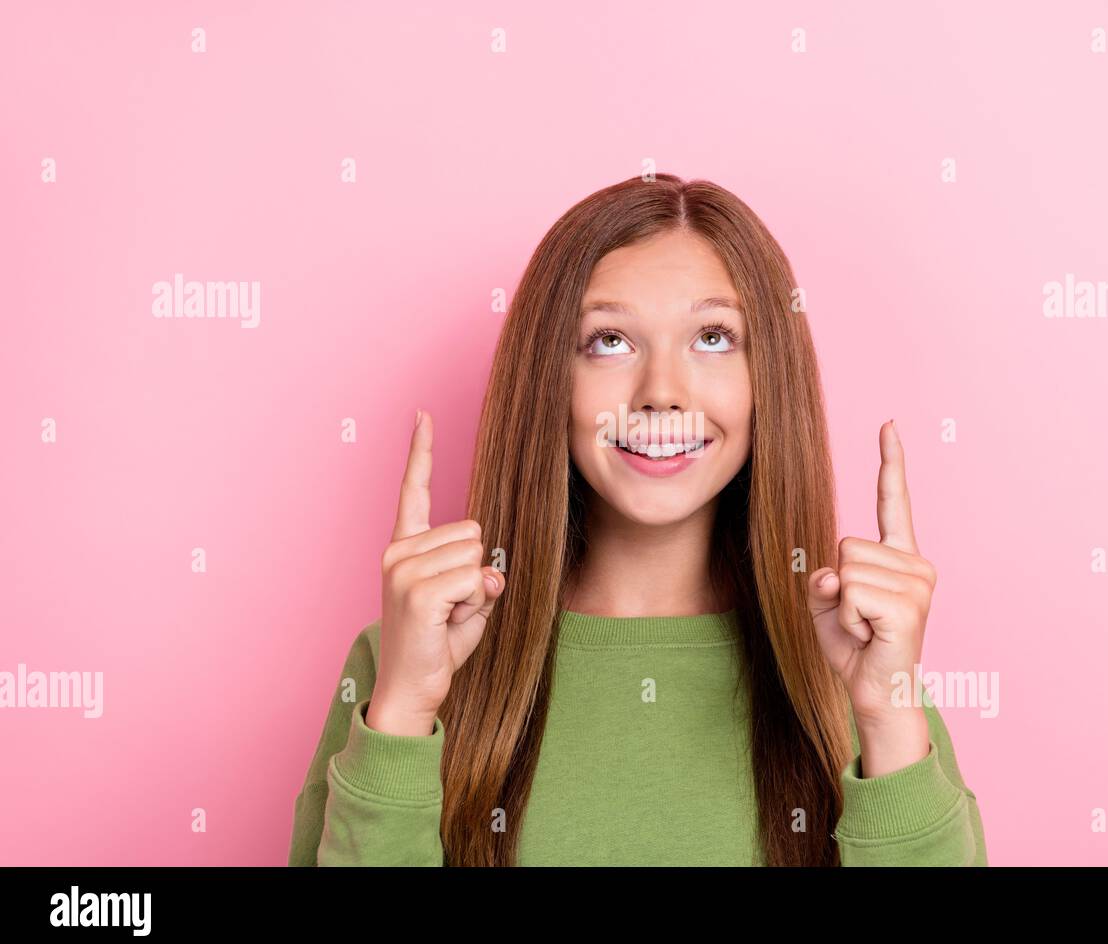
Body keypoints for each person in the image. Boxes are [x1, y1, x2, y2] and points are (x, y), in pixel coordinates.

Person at [288, 173, 987, 866]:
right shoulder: (405, 657)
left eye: (713, 337)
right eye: (609, 341)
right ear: (548, 383)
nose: (660, 394)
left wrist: (888, 716)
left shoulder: (860, 664)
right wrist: (406, 708)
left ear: (767, 378)